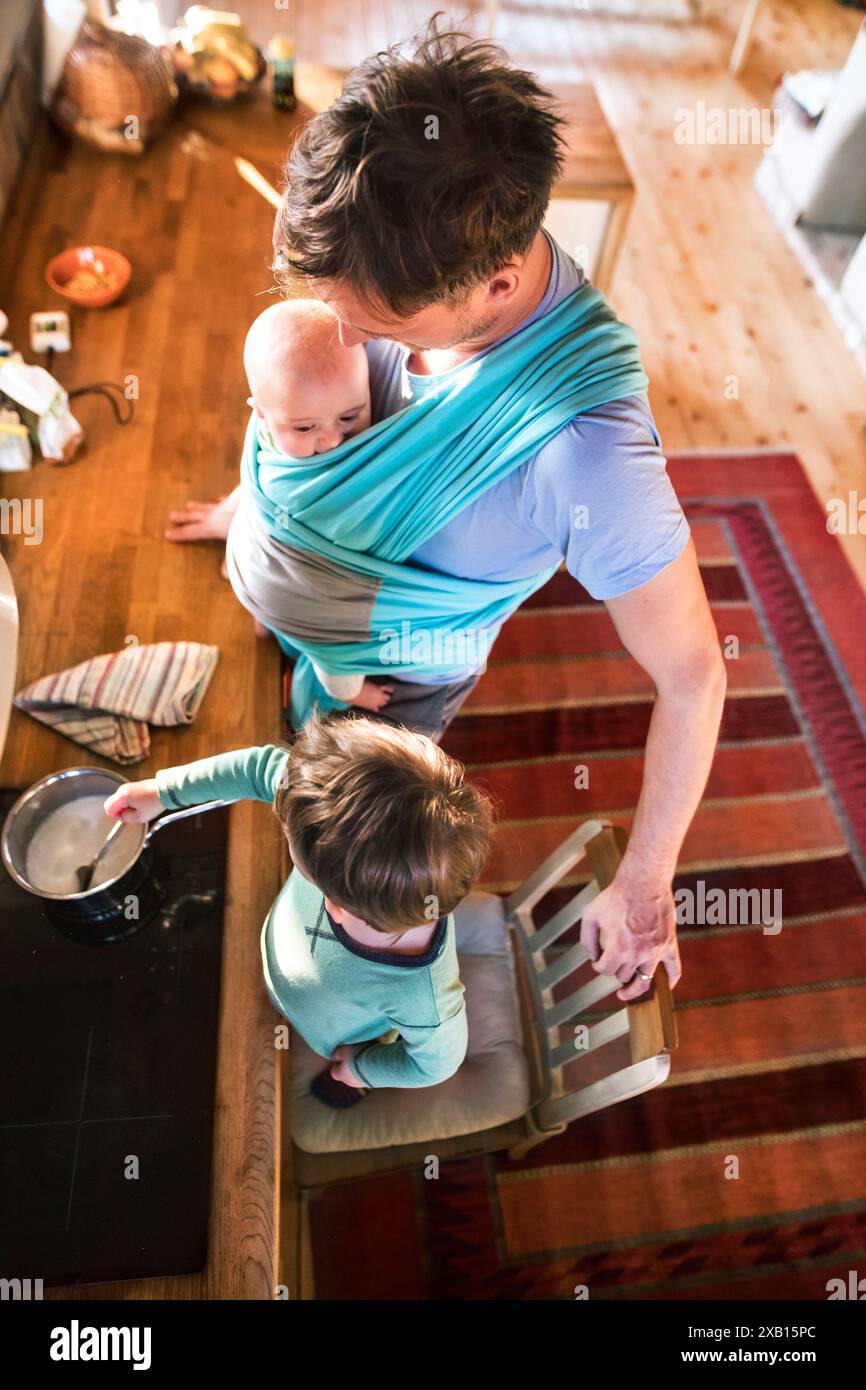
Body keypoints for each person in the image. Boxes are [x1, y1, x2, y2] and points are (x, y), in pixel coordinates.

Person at [166, 21, 727, 1001]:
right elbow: (328, 423)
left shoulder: (585, 457)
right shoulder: (416, 227)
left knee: (335, 836)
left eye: (371, 324)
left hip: (400, 682)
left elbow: (692, 680)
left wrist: (642, 884)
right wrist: (260, 508)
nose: (338, 334)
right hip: (301, 595)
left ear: (497, 286)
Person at [103, 716, 493, 1098]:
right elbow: (259, 768)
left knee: (343, 1076)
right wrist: (162, 792)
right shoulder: (331, 823)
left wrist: (362, 1068)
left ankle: (349, 1086)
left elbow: (437, 1064)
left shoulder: (422, 999)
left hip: (339, 1033)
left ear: (334, 900)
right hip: (293, 974)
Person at [240, 298, 393, 714]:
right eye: (305, 427)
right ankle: (338, 697)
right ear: (262, 419)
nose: (331, 441)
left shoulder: (278, 436)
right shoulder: (282, 475)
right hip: (311, 606)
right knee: (335, 655)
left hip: (273, 585)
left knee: (281, 600)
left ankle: (268, 622)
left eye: (350, 417)